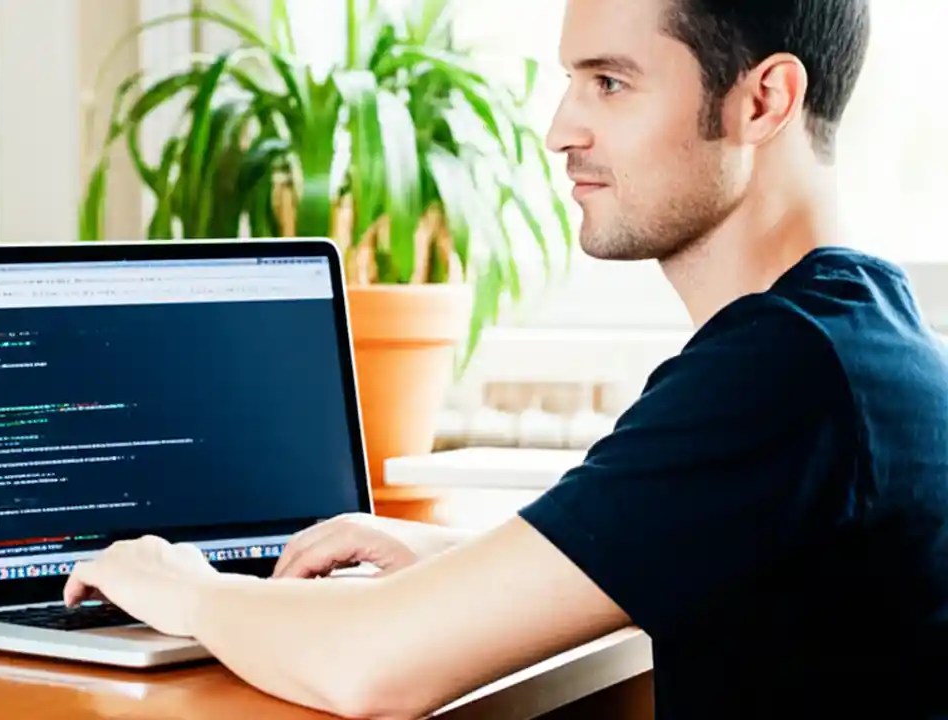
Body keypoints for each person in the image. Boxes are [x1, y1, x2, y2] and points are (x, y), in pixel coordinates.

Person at [66, 0, 948, 716]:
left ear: (762, 101)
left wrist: (181, 589)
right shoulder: (861, 333)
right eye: (573, 82)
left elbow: (373, 670)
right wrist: (467, 562)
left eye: (611, 83)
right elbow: (724, 558)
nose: (561, 130)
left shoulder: (782, 371)